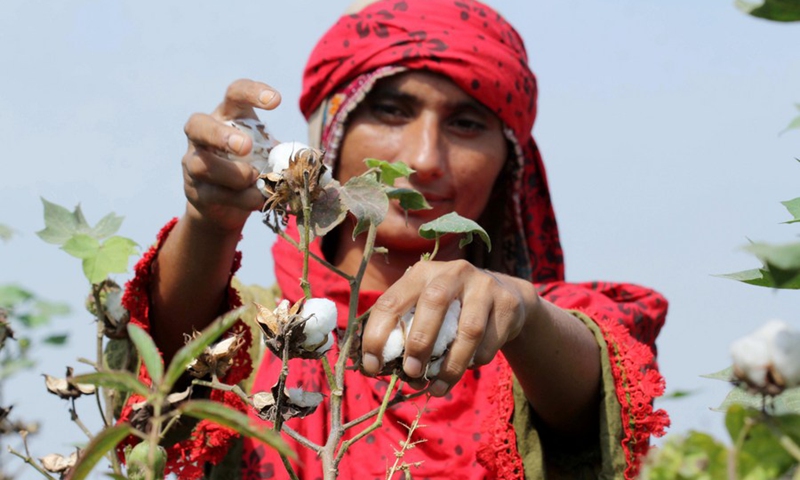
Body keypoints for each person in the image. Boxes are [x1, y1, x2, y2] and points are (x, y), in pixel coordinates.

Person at [118, 0, 669, 478]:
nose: (425, 158)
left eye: (467, 124)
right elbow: (163, 381)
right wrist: (210, 222)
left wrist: (520, 312)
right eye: (391, 111)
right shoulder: (264, 334)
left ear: (509, 163)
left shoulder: (533, 336)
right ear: (332, 132)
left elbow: (590, 397)